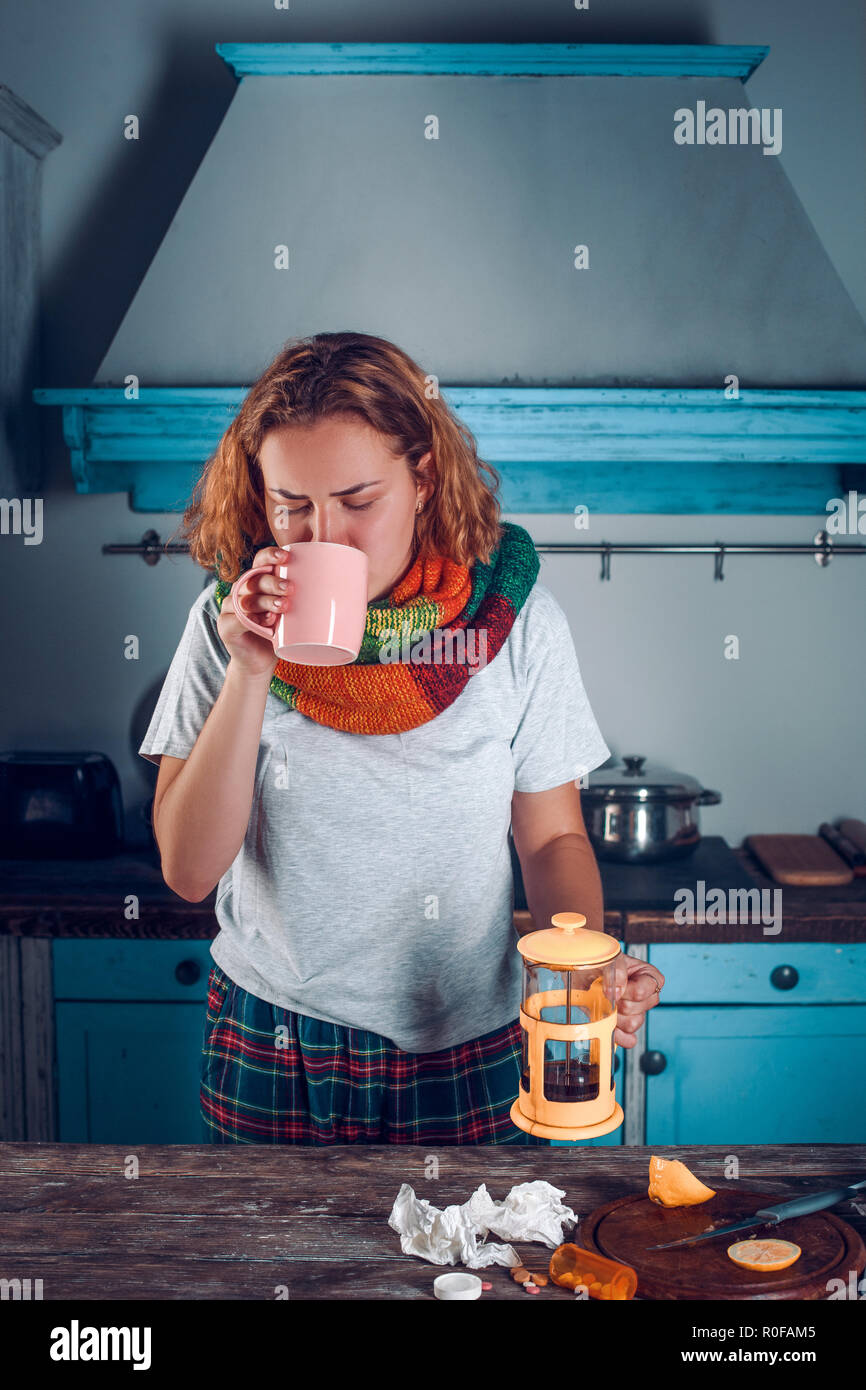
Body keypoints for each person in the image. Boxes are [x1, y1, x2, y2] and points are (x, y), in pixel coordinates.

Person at [138, 330, 664, 1144]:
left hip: (472, 1046)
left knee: (474, 1274)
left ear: (422, 479)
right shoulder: (227, 623)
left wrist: (582, 972)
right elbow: (187, 869)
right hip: (277, 1042)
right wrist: (249, 671)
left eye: (357, 500)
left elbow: (555, 837)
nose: (323, 539)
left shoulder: (511, 625)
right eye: (292, 505)